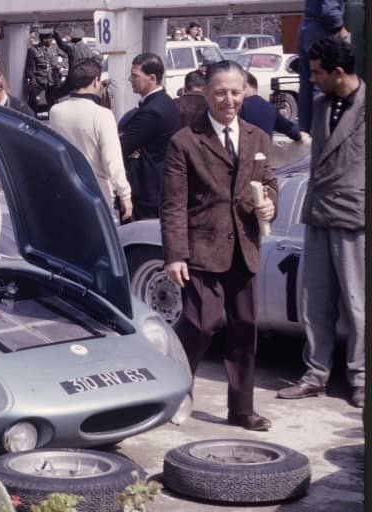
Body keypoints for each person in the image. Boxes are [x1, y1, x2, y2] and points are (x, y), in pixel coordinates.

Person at [162, 60, 278, 431]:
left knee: (244, 329)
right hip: (201, 248)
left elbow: (269, 182)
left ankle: (242, 409)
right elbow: (174, 203)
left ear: (245, 92)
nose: (228, 99)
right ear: (206, 93)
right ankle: (175, 388)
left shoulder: (259, 137)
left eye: (235, 91)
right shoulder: (185, 141)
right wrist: (175, 254)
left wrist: (270, 202)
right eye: (220, 92)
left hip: (244, 246)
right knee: (201, 324)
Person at [277, 36, 365, 408]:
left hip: (355, 217)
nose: (311, 79)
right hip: (318, 213)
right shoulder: (318, 103)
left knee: (358, 303)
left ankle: (361, 378)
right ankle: (316, 374)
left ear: (338, 72)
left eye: (316, 72)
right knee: (314, 300)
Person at [49, 59, 132, 222]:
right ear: (95, 81)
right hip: (97, 191)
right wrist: (125, 194)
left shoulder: (55, 111)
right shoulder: (102, 115)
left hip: (67, 188)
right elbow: (112, 161)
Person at [118, 52, 179, 221]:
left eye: (135, 75)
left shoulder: (153, 110)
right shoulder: (162, 102)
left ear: (152, 78)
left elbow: (122, 145)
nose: (130, 79)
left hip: (148, 190)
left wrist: (133, 148)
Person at [297, 0, 349, 132]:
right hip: (322, 29)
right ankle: (320, 130)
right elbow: (328, 9)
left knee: (307, 82)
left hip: (307, 27)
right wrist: (340, 27)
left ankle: (305, 127)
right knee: (322, 82)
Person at [240, 71, 304, 141]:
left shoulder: (237, 107)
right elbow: (291, 129)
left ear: (245, 86)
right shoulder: (270, 108)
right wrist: (300, 136)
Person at [24, 29, 62, 112]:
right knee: (33, 101)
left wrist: (60, 64)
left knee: (53, 102)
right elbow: (29, 67)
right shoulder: (33, 50)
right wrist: (32, 79)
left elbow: (66, 55)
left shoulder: (54, 48)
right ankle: (33, 118)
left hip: (52, 80)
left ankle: (53, 120)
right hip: (39, 80)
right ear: (44, 39)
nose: (52, 40)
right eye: (50, 39)